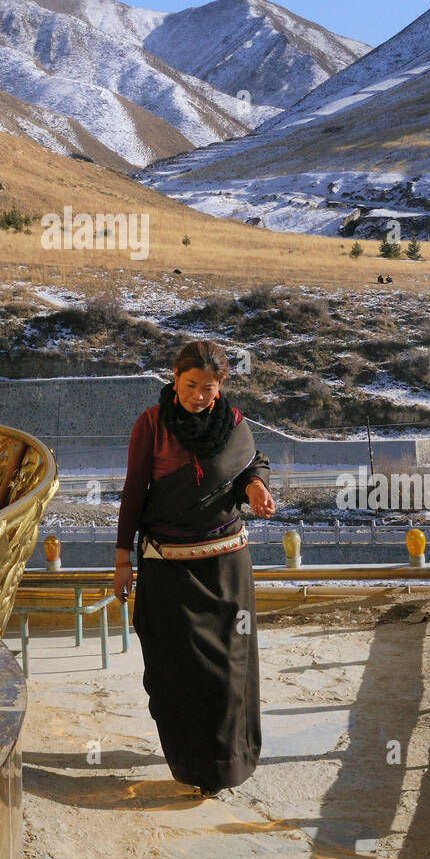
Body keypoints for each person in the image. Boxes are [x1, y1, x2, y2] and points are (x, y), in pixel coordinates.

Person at [114, 340, 276, 797]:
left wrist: (258, 487)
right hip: (169, 570)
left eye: (209, 388)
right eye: (191, 386)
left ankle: (226, 766)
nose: (199, 396)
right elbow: (133, 494)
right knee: (179, 676)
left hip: (227, 567)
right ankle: (191, 764)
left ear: (221, 386)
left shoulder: (235, 424)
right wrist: (122, 559)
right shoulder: (151, 425)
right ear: (174, 377)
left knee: (229, 671)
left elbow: (250, 465)